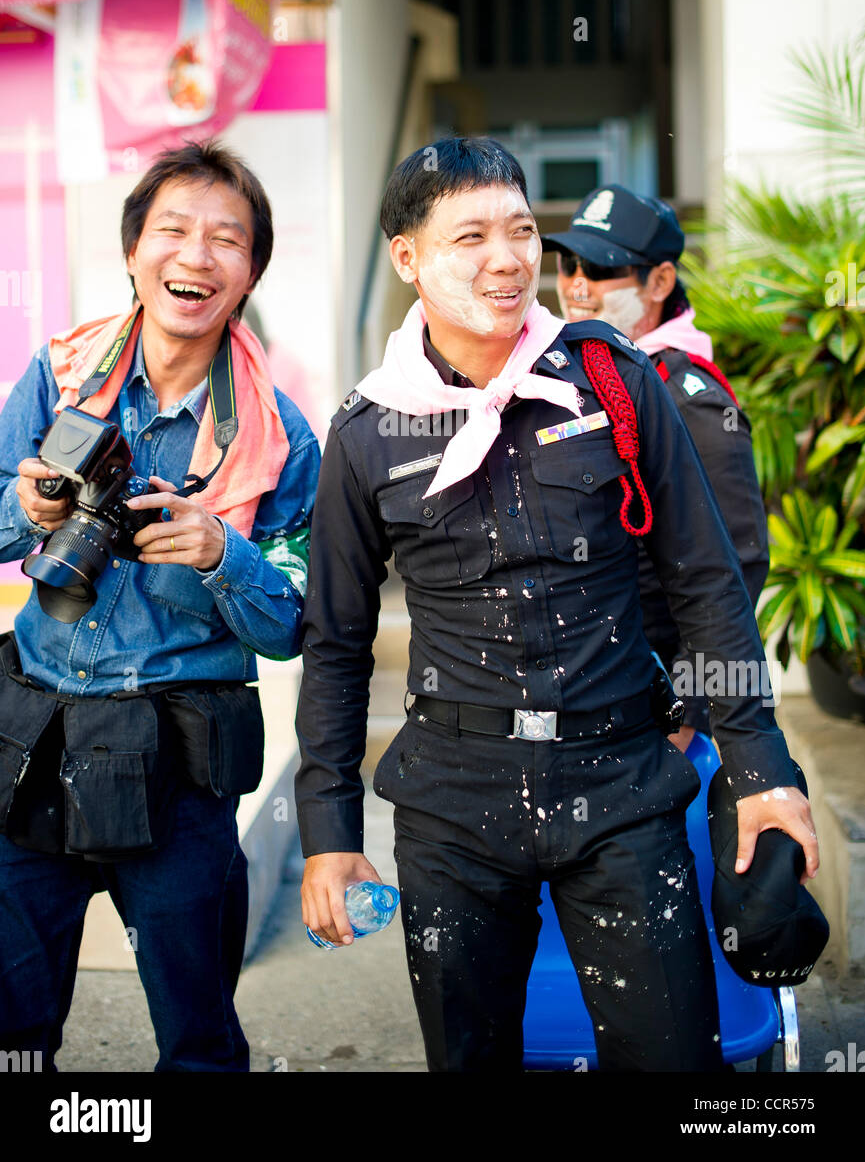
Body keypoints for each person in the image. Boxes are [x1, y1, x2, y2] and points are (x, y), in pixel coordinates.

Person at [294, 136, 818, 1073]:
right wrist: (327, 834)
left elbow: (707, 580)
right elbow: (335, 643)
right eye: (470, 237)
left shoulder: (612, 378)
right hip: (452, 803)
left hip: (622, 784)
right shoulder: (367, 432)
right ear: (408, 258)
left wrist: (758, 766)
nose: (507, 259)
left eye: (522, 230)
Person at [0, 140, 320, 1072]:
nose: (197, 256)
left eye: (228, 240)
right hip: (35, 743)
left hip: (180, 764)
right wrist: (26, 510)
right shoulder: (57, 377)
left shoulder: (280, 437)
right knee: (13, 1030)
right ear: (134, 252)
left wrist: (225, 554)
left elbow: (291, 624)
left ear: (250, 270)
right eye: (173, 231)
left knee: (198, 1040)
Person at [544, 184, 769, 752]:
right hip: (601, 695)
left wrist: (688, 711)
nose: (576, 284)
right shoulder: (593, 375)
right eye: (569, 263)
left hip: (662, 718)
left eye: (600, 268)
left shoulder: (686, 394)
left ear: (661, 282)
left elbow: (738, 563)